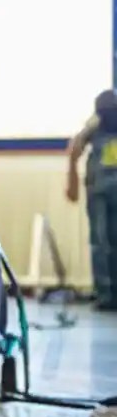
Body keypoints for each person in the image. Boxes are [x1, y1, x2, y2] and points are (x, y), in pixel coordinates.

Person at [65, 89, 117, 311]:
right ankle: (105, 293)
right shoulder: (93, 129)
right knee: (100, 242)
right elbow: (74, 152)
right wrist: (73, 186)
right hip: (98, 193)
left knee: (110, 241)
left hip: (105, 190)